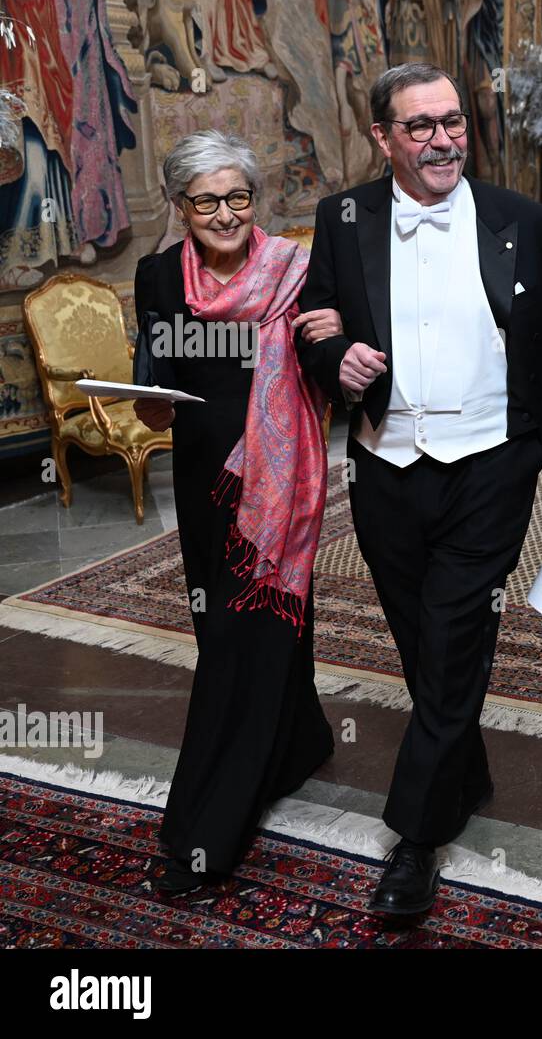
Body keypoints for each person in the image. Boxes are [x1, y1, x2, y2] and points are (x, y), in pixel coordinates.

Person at [294, 63, 542, 916]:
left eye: (452, 122)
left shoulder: (524, 224)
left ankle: (416, 841)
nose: (441, 139)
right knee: (422, 642)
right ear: (383, 137)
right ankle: (462, 758)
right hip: (386, 466)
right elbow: (316, 322)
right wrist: (334, 358)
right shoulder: (341, 219)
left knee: (455, 630)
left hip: (492, 465)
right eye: (418, 126)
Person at [130, 130, 343, 892]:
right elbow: (154, 387)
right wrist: (145, 402)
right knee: (225, 629)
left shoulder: (295, 269)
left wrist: (340, 350)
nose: (226, 213)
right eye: (207, 200)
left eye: (239, 197)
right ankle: (298, 739)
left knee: (237, 639)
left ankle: (206, 828)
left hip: (277, 485)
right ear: (180, 205)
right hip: (203, 482)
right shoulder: (158, 276)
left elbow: (323, 360)